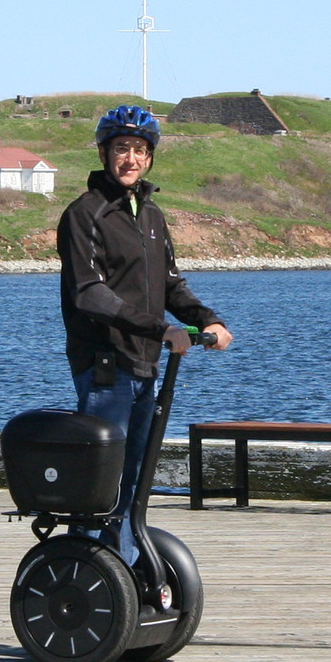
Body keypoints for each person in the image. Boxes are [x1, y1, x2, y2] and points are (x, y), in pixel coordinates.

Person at [57, 105, 233, 567]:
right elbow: (90, 294)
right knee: (103, 477)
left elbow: (170, 283)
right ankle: (86, 570)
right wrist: (164, 328)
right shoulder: (84, 215)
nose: (130, 159)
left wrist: (208, 320)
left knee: (135, 475)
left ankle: (127, 569)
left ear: (150, 158)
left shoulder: (150, 215)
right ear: (103, 153)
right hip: (105, 365)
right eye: (121, 149)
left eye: (139, 150)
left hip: (145, 362)